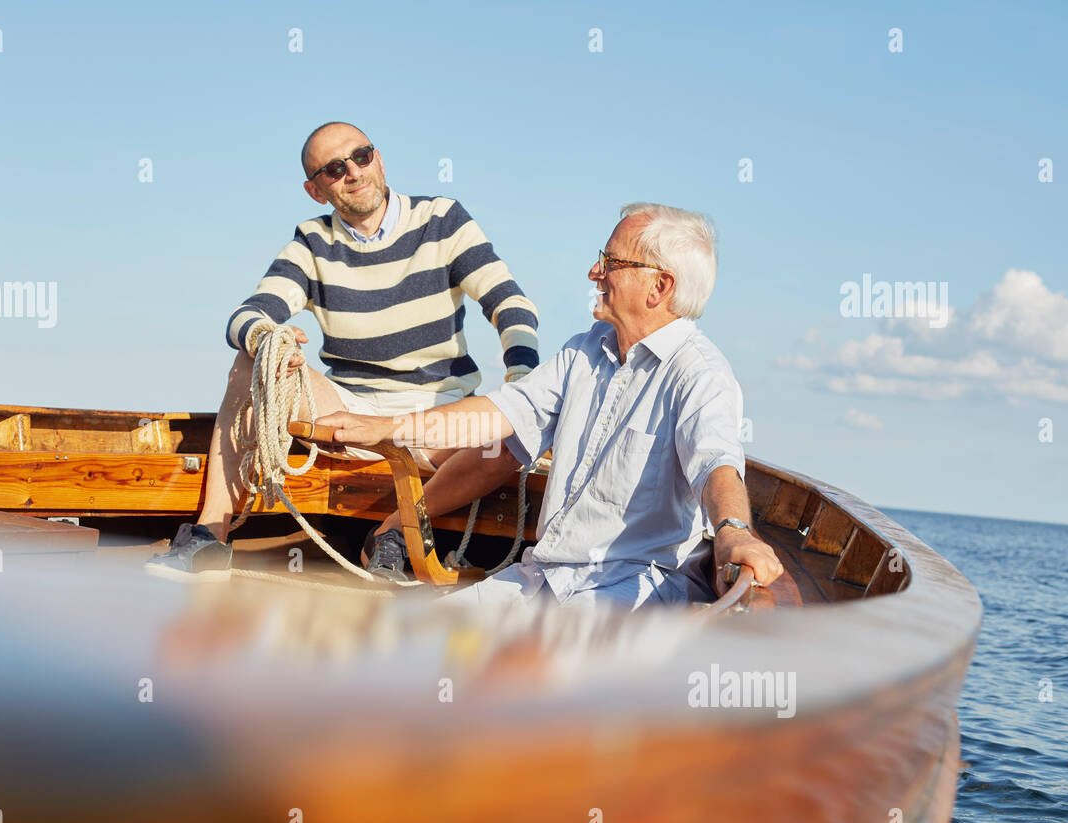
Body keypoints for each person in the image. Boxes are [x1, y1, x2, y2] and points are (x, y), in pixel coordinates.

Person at [314, 203, 784, 609]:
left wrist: (734, 530)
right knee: (407, 642)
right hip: (539, 580)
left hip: (624, 592)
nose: (594, 272)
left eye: (610, 261)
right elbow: (497, 415)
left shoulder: (700, 374)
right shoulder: (585, 349)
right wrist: (382, 428)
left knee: (524, 670)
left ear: (659, 286)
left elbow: (717, 465)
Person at [145, 122, 539, 580]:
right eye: (335, 169)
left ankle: (390, 534)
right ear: (316, 190)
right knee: (255, 357)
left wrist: (521, 379)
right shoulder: (312, 242)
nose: (353, 171)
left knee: (508, 437)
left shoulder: (442, 219)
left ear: (380, 159)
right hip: (348, 416)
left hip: (438, 419)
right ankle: (209, 539)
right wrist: (268, 339)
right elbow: (245, 316)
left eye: (362, 155)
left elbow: (510, 303)